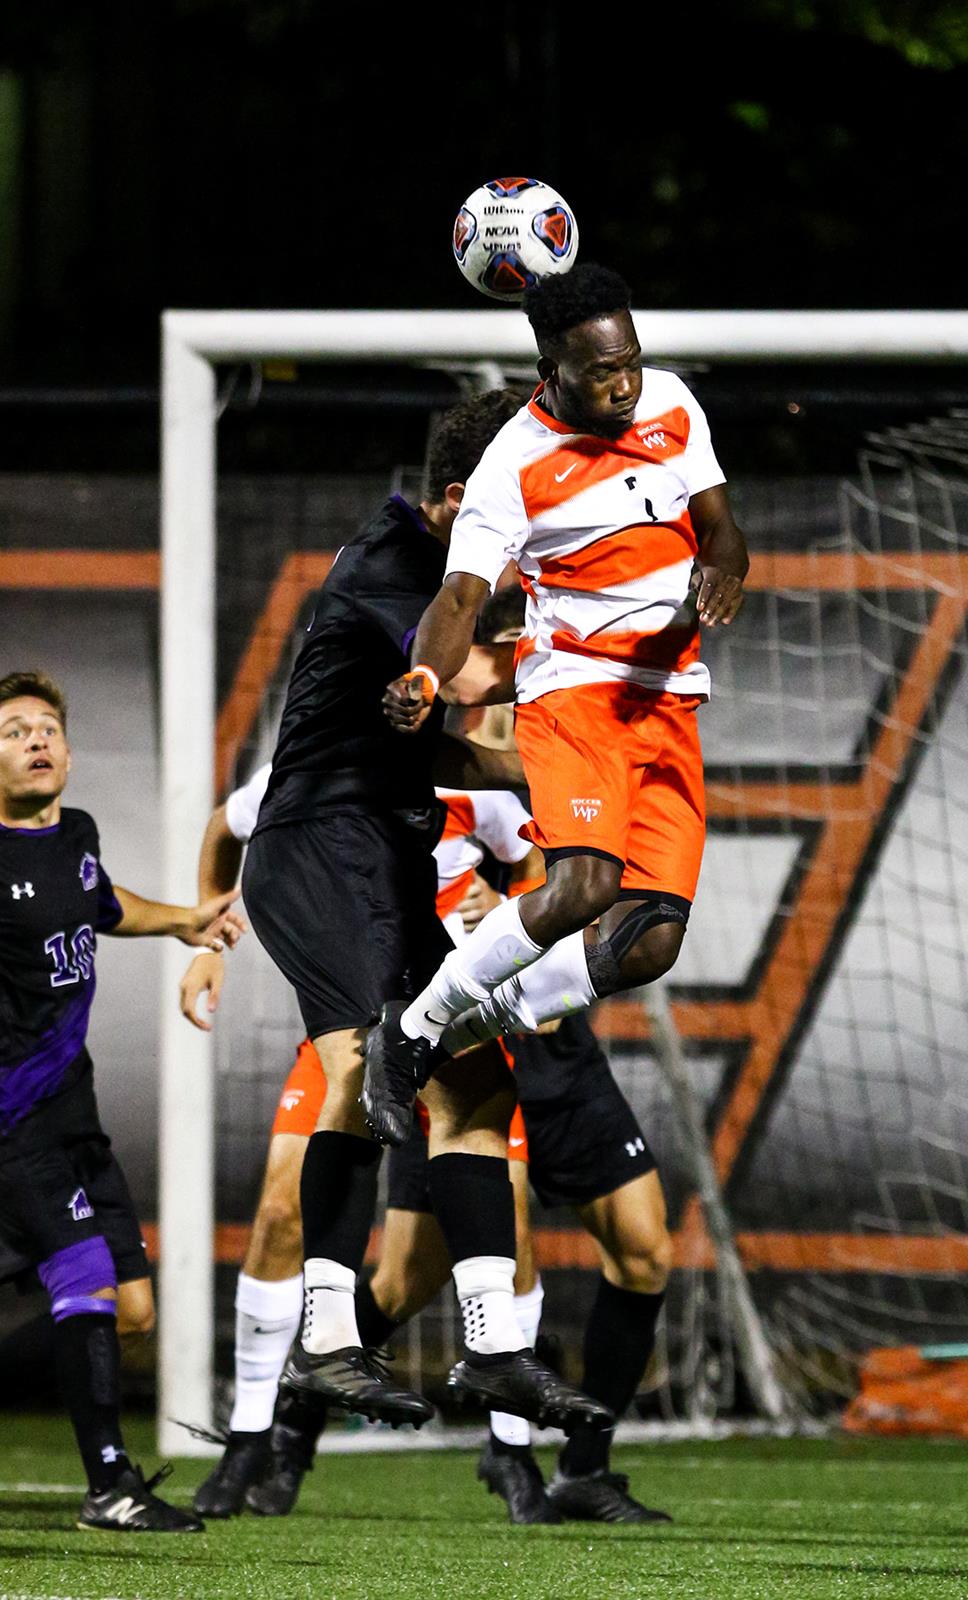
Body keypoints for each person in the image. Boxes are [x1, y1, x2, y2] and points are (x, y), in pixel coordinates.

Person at [237, 390, 608, 1439]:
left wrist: (519, 768)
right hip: (321, 845)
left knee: (475, 1083)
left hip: (377, 849)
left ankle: (491, 1349)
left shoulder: (435, 567)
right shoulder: (392, 566)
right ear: (457, 496)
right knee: (370, 1064)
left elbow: (422, 738)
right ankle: (323, 1339)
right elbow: (445, 670)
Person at [367, 261, 748, 1146]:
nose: (625, 385)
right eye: (602, 372)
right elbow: (460, 598)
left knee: (650, 940)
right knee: (586, 886)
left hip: (668, 699)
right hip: (575, 691)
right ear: (553, 368)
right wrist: (426, 678)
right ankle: (416, 1027)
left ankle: (448, 1029)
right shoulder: (513, 465)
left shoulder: (672, 404)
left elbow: (721, 525)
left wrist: (727, 565)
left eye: (631, 362)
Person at [179, 762, 541, 1519]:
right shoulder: (308, 766)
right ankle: (254, 1440)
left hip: (453, 1032)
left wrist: (507, 906)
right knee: (279, 1215)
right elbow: (224, 826)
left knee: (426, 1272)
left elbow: (537, 860)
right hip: (351, 1028)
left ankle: (510, 1452)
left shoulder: (473, 783)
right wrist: (209, 940)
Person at [0, 670, 245, 1533]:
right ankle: (110, 1485)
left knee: (131, 1313)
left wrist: (183, 919)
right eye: (14, 731)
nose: (36, 739)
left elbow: (104, 903)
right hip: (13, 1119)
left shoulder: (78, 835)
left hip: (76, 1112)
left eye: (47, 728)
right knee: (86, 1282)